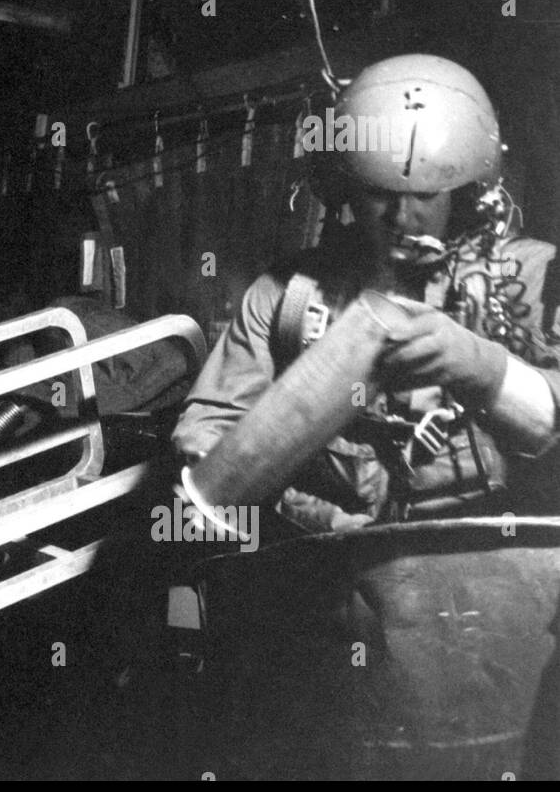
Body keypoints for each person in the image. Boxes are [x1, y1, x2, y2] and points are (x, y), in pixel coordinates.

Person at [173, 54, 560, 532]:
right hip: (327, 566)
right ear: (345, 187)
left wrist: (486, 367)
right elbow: (210, 429)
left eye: (426, 195)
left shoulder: (529, 278)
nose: (401, 218)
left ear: (465, 193)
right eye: (379, 193)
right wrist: (286, 510)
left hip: (482, 560)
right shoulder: (288, 296)